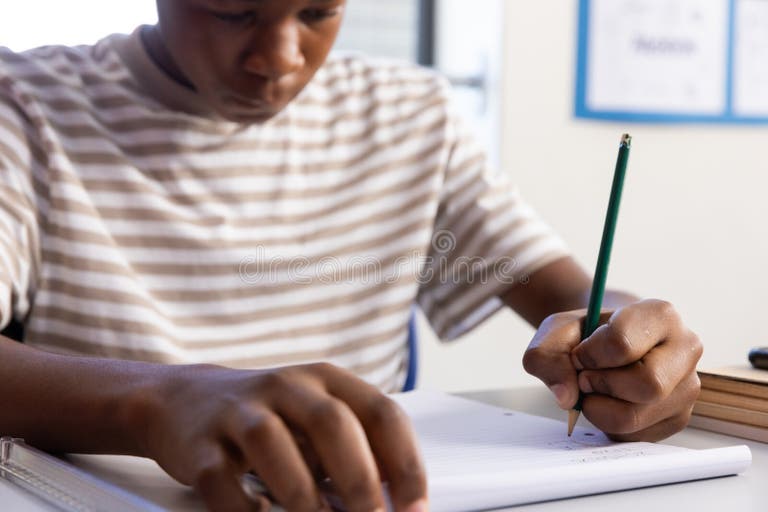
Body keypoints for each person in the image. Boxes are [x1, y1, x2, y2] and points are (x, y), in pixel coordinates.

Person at [0, 1, 702, 510]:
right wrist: (157, 402)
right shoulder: (27, 106)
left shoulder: (409, 116)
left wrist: (630, 343)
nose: (280, 57)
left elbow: (571, 297)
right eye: (233, 10)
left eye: (319, 11)